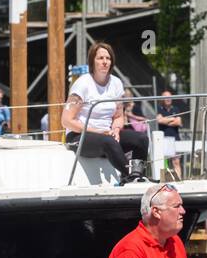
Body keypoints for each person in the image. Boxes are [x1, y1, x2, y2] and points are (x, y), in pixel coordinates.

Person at [62, 42, 150, 182]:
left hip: (107, 134)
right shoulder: (82, 84)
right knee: (108, 141)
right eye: (100, 58)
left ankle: (138, 174)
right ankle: (130, 177)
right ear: (92, 61)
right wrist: (98, 131)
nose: (105, 62)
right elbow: (67, 120)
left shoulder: (116, 83)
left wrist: (116, 128)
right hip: (79, 136)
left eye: (108, 58)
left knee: (141, 139)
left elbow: (119, 116)